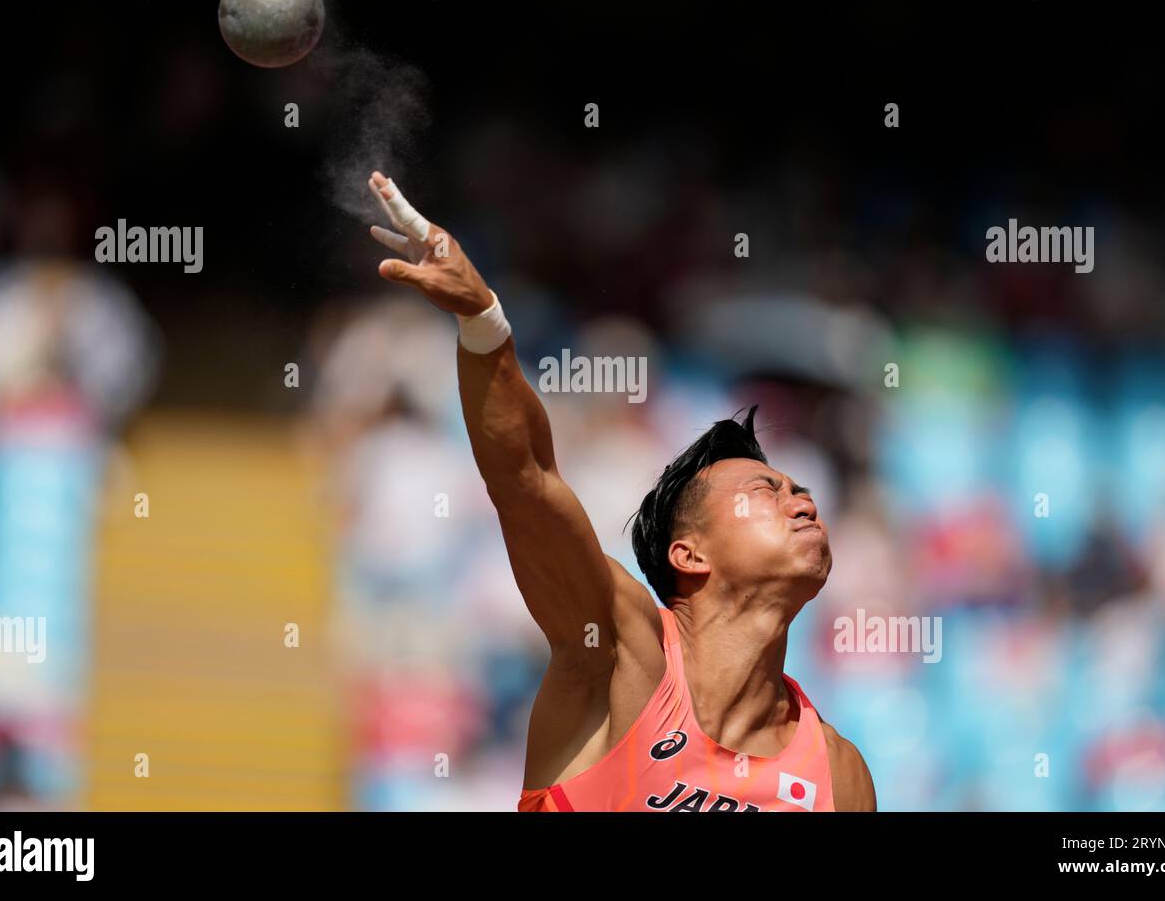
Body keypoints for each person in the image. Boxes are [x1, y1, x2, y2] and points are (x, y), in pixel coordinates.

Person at [366, 170, 876, 811]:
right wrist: (482, 320)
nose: (803, 502)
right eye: (764, 490)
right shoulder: (618, 655)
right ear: (690, 554)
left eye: (800, 490)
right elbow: (526, 480)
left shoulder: (837, 773)